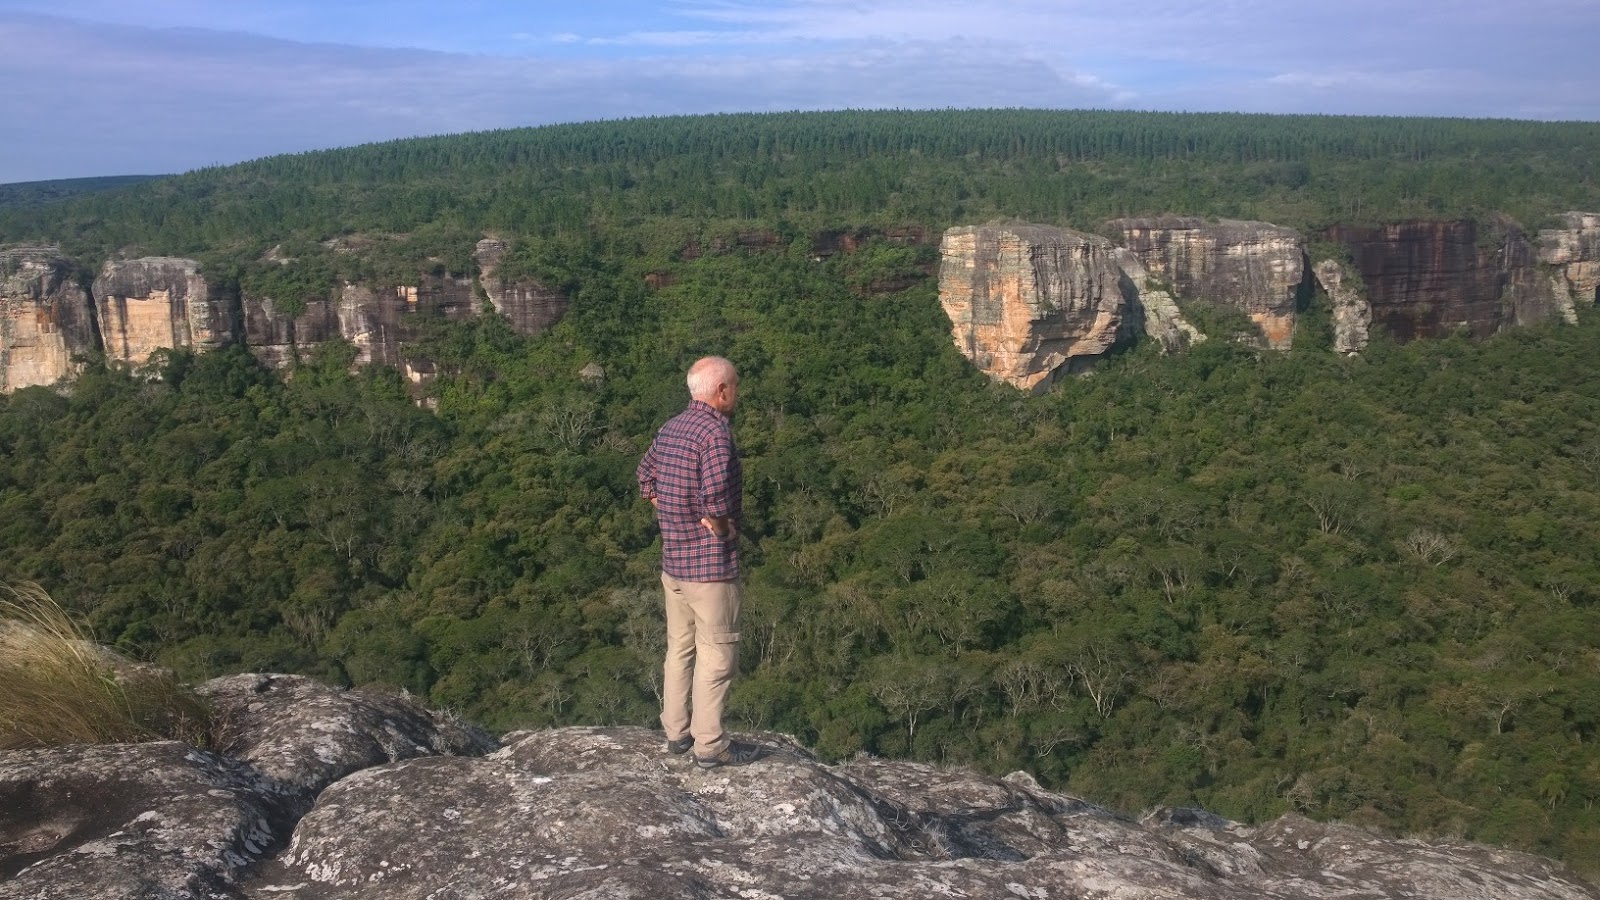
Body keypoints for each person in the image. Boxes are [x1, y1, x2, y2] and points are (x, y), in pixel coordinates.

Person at [636, 356, 759, 769]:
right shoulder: (715, 434)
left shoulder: (672, 427)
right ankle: (710, 746)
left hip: (674, 565)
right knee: (717, 655)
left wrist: (668, 510)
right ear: (721, 391)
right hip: (709, 569)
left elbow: (644, 476)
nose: (737, 394)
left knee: (679, 650)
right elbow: (717, 498)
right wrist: (722, 529)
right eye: (735, 387)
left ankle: (676, 733)